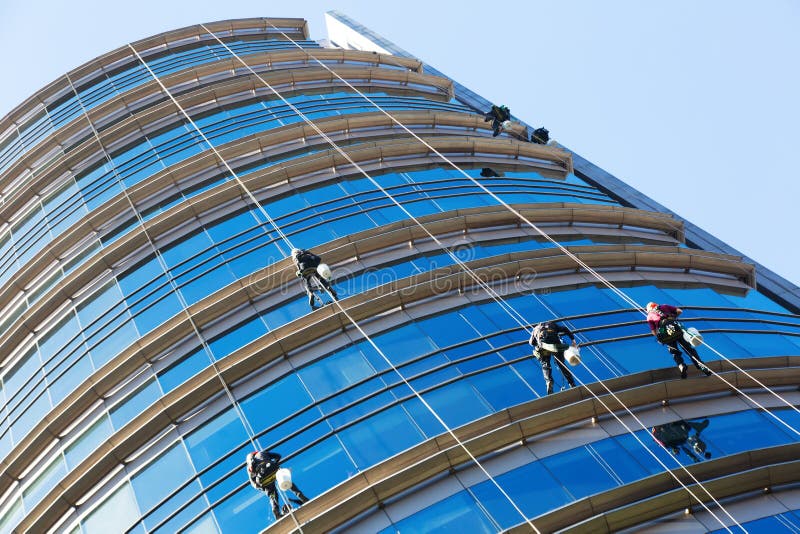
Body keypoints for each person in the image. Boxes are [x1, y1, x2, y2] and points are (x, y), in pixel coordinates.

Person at [646, 302, 711, 379]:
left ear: (648, 309)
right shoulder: (664, 306)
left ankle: (681, 365)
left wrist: (659, 335)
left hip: (664, 331)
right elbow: (679, 311)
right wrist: (673, 318)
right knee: (688, 349)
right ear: (656, 305)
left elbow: (653, 332)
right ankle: (701, 365)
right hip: (675, 326)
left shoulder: (649, 316)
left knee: (674, 351)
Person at [246, 450, 309, 520]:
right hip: (273, 470)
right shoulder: (261, 453)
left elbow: (253, 483)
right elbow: (278, 456)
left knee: (272, 494)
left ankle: (276, 512)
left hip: (263, 479)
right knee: (286, 480)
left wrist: (263, 488)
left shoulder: (249, 467)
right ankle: (302, 497)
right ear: (255, 453)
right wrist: (274, 463)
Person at [529, 321, 578, 394]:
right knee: (561, 363)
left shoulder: (535, 329)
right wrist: (573, 340)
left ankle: (549, 381)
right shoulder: (552, 324)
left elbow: (531, 343)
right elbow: (565, 328)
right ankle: (571, 383)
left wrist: (537, 341)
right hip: (555, 344)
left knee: (545, 364)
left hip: (543, 346)